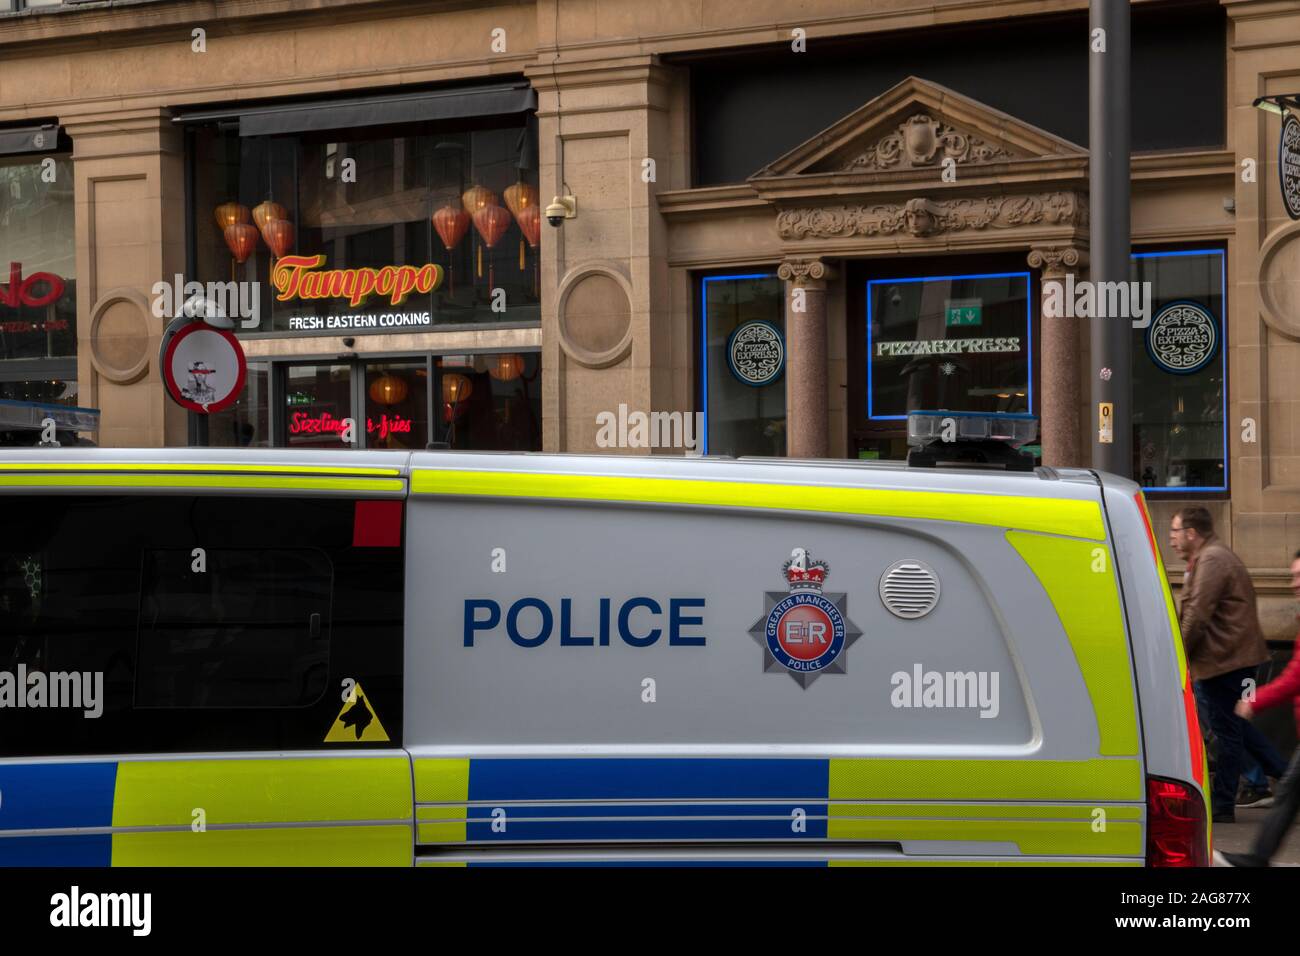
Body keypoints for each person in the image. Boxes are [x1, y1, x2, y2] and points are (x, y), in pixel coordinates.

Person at [1170, 507, 1287, 823]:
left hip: (1227, 665)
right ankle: (1288, 781)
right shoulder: (1209, 558)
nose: (1172, 540)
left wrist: (1175, 654)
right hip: (1240, 662)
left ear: (1192, 533)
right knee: (1239, 726)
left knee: (1228, 732)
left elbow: (1196, 615)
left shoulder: (1212, 560)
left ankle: (1222, 804)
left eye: (1175, 531)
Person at [1216, 550, 1300, 866]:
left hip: (1232, 671)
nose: (1293, 584)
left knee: (1287, 795)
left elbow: (1294, 676)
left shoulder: (1217, 572)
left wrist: (1254, 700)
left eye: (1298, 576)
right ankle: (1258, 857)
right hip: (1239, 671)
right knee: (1287, 796)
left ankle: (1257, 856)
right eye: (1292, 576)